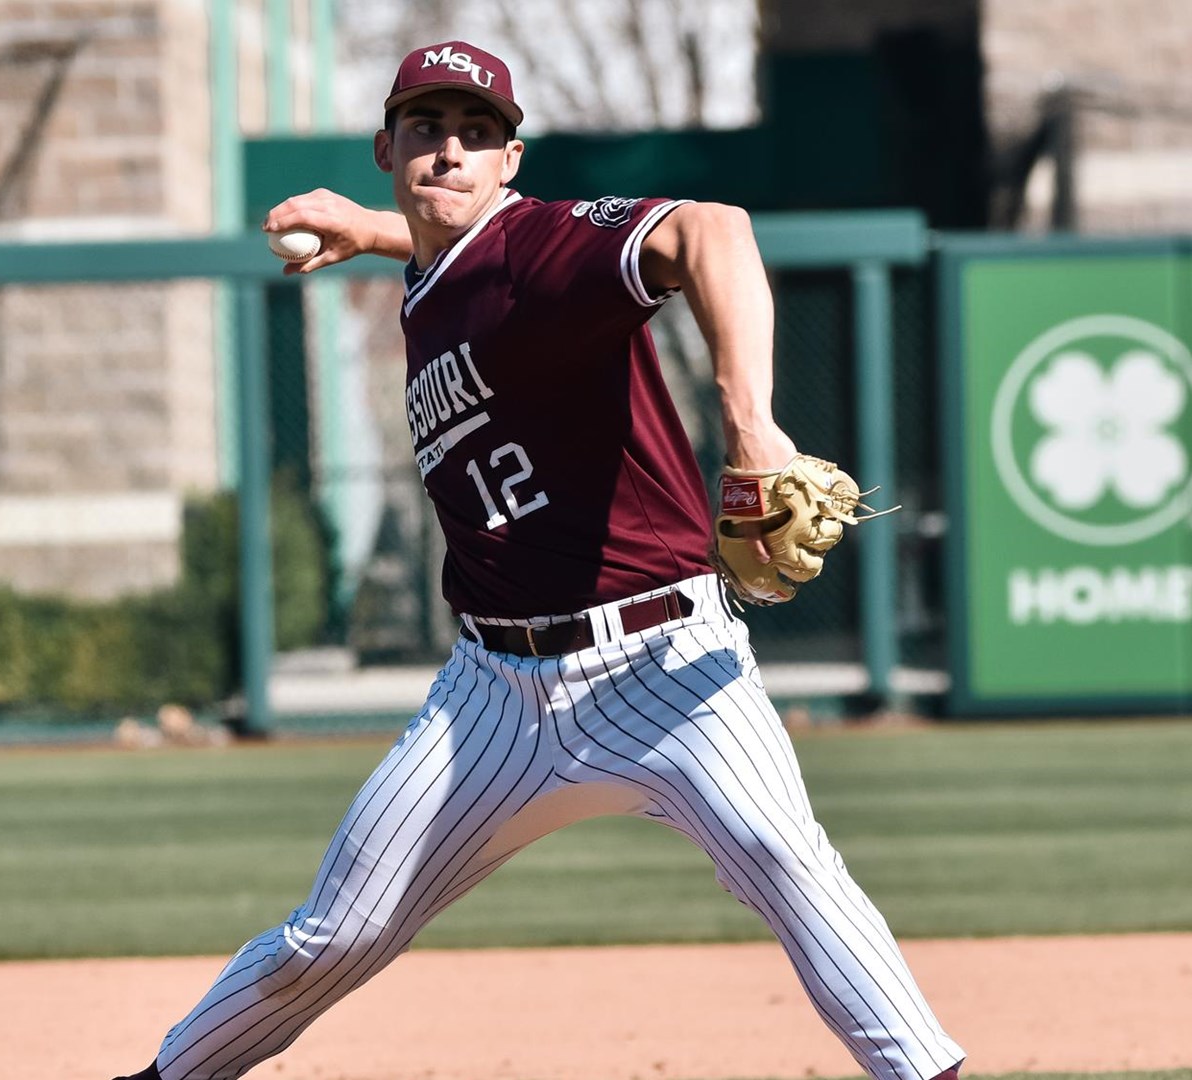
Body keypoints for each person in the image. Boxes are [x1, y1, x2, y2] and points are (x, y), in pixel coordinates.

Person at [112, 39, 965, 1080]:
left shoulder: (549, 248)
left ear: (511, 163)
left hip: (664, 668)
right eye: (426, 130)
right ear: (388, 147)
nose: (451, 152)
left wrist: (753, 428)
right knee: (336, 935)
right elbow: (450, 258)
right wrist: (376, 233)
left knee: (785, 859)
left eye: (479, 135)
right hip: (491, 695)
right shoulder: (434, 276)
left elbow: (714, 229)